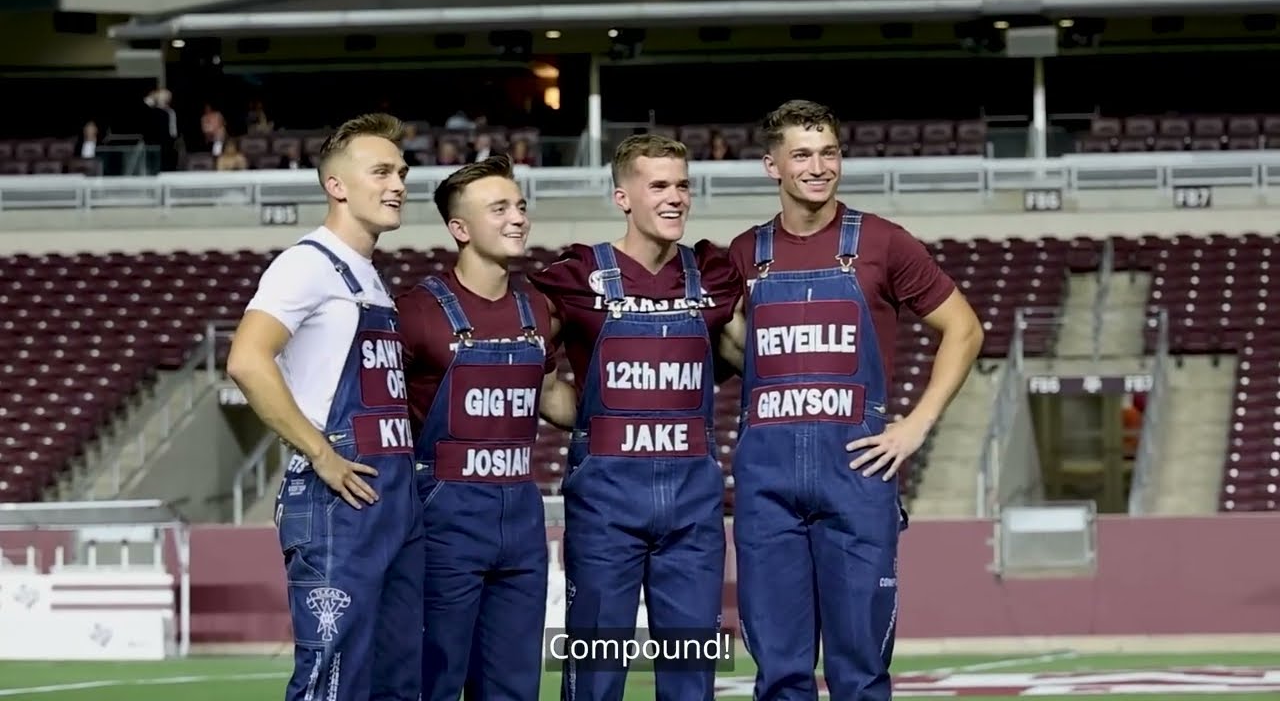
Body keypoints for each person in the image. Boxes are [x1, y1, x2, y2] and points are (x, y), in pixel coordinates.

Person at [714, 99, 985, 701]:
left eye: (829, 152)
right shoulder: (742, 254)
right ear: (771, 166)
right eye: (802, 154)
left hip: (857, 477)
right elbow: (736, 355)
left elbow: (964, 329)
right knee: (779, 674)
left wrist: (917, 424)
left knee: (860, 674)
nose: (818, 166)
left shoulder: (884, 243)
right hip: (766, 487)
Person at [528, 134, 743, 701]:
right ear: (623, 197)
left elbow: (759, 361)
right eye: (659, 186)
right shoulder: (576, 276)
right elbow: (528, 368)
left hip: (694, 515)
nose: (675, 198)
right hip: (605, 511)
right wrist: (592, 420)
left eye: (682, 185)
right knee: (596, 674)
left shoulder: (715, 276)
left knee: (692, 675)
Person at [226, 112, 424, 701]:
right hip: (338, 502)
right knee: (331, 681)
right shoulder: (306, 263)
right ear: (336, 185)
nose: (398, 184)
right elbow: (247, 360)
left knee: (396, 678)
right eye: (382, 171)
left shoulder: (369, 278)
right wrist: (320, 454)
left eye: (402, 172)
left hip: (389, 500)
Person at [395, 154, 577, 701]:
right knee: (434, 681)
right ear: (460, 229)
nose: (517, 218)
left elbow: (550, 394)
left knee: (514, 687)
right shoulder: (415, 311)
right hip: (443, 516)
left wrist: (630, 407)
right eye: (499, 209)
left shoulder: (538, 309)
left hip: (520, 516)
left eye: (520, 206)